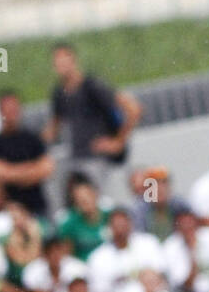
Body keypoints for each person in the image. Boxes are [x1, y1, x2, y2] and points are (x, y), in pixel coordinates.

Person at [44, 43, 142, 194]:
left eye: (64, 60)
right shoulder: (59, 93)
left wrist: (118, 142)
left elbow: (133, 109)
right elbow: (52, 129)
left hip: (98, 159)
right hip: (76, 159)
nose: (61, 65)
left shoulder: (92, 86)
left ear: (73, 60)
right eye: (57, 62)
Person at [0, 90, 54, 217]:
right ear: (0, 112)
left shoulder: (32, 138)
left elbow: (47, 168)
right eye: (7, 110)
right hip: (8, 211)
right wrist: (30, 170)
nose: (11, 114)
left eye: (14, 109)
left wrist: (13, 173)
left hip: (37, 207)